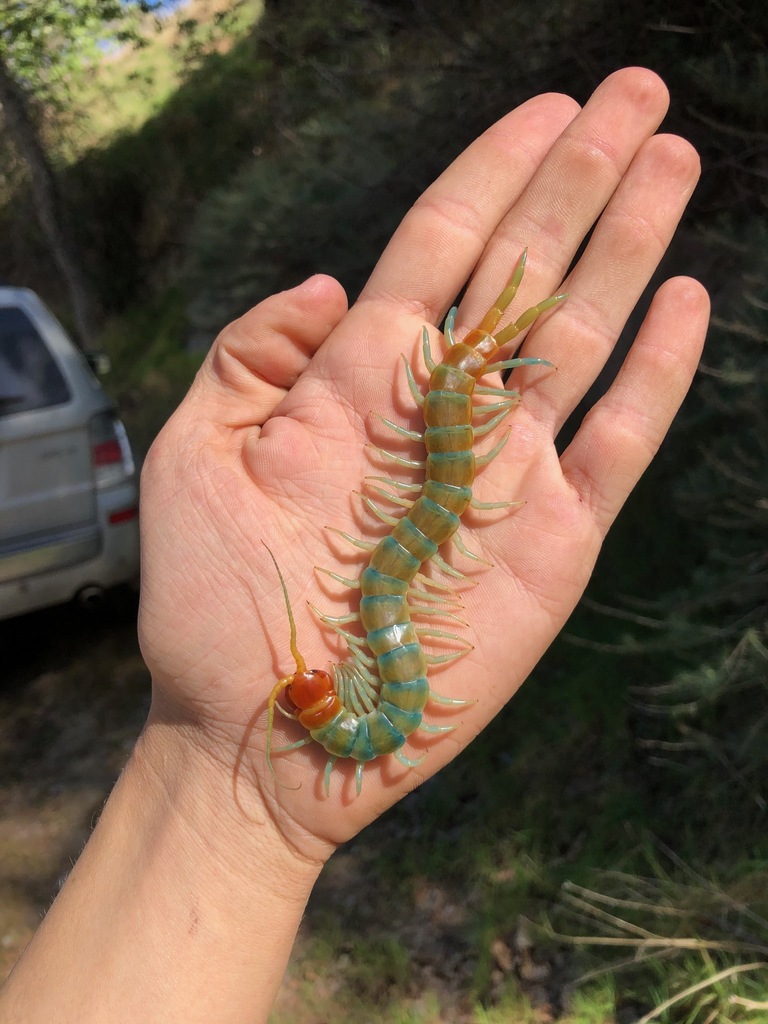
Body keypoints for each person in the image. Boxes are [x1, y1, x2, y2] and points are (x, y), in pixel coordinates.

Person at [0, 68, 709, 1023]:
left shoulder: (364, 664)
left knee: (450, 430)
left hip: (433, 468)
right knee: (451, 438)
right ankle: (468, 365)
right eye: (309, 681)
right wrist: (228, 772)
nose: (307, 667)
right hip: (431, 488)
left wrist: (225, 773)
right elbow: (403, 567)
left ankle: (465, 366)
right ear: (336, 700)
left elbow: (405, 549)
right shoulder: (380, 698)